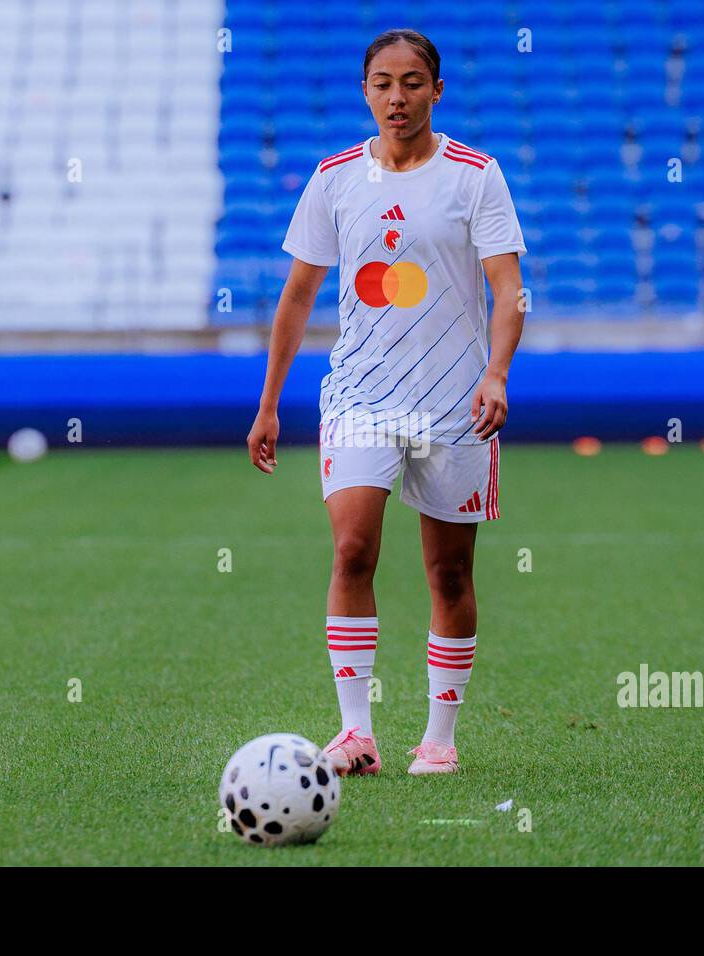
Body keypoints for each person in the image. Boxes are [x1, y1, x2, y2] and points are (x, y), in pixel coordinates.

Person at [246, 29, 526, 776]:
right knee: (352, 548)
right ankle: (355, 731)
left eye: (411, 82)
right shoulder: (335, 179)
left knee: (449, 574)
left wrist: (496, 374)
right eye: (381, 83)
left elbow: (508, 289)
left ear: (437, 89)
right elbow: (298, 294)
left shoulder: (474, 177)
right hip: (362, 396)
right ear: (365, 90)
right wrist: (269, 403)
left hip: (454, 402)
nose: (396, 98)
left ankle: (440, 736)